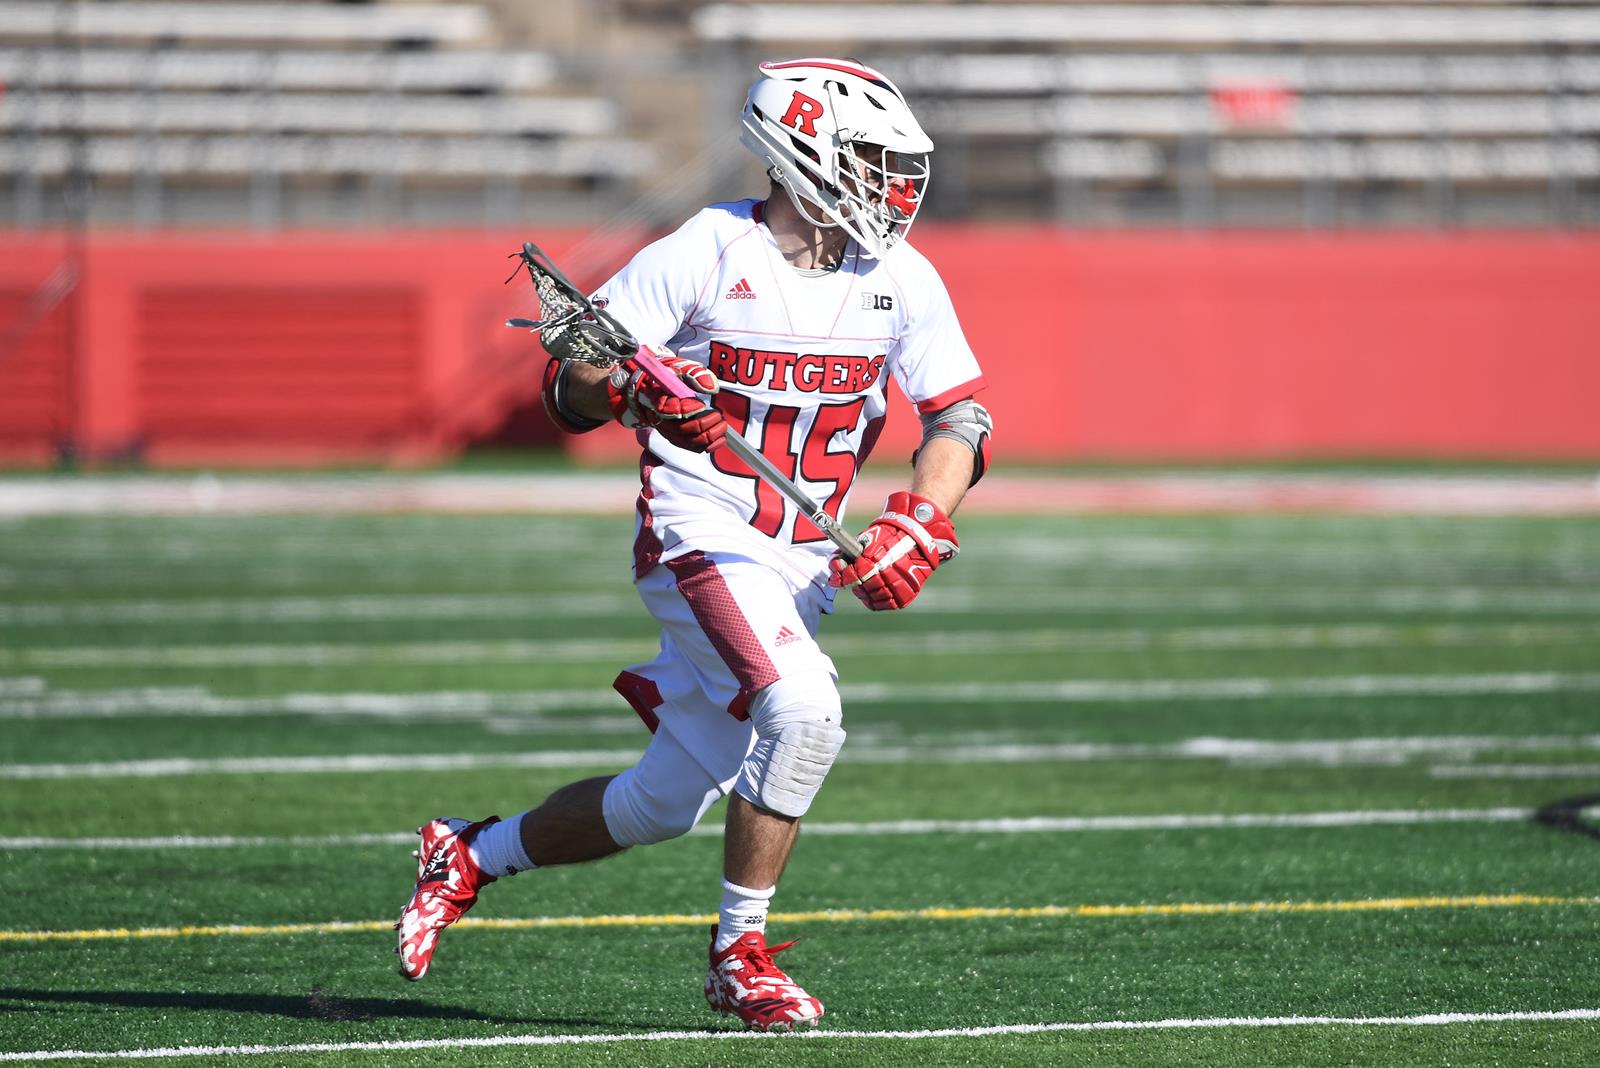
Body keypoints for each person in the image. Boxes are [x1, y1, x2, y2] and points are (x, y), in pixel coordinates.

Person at [395, 57, 993, 1032]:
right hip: (700, 533)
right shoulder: (707, 251)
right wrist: (637, 389)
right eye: (872, 161)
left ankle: (467, 853)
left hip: (799, 564)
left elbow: (959, 418)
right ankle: (737, 958)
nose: (895, 187)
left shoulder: (902, 277)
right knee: (806, 713)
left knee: (659, 804)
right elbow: (569, 390)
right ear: (803, 153)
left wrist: (923, 518)